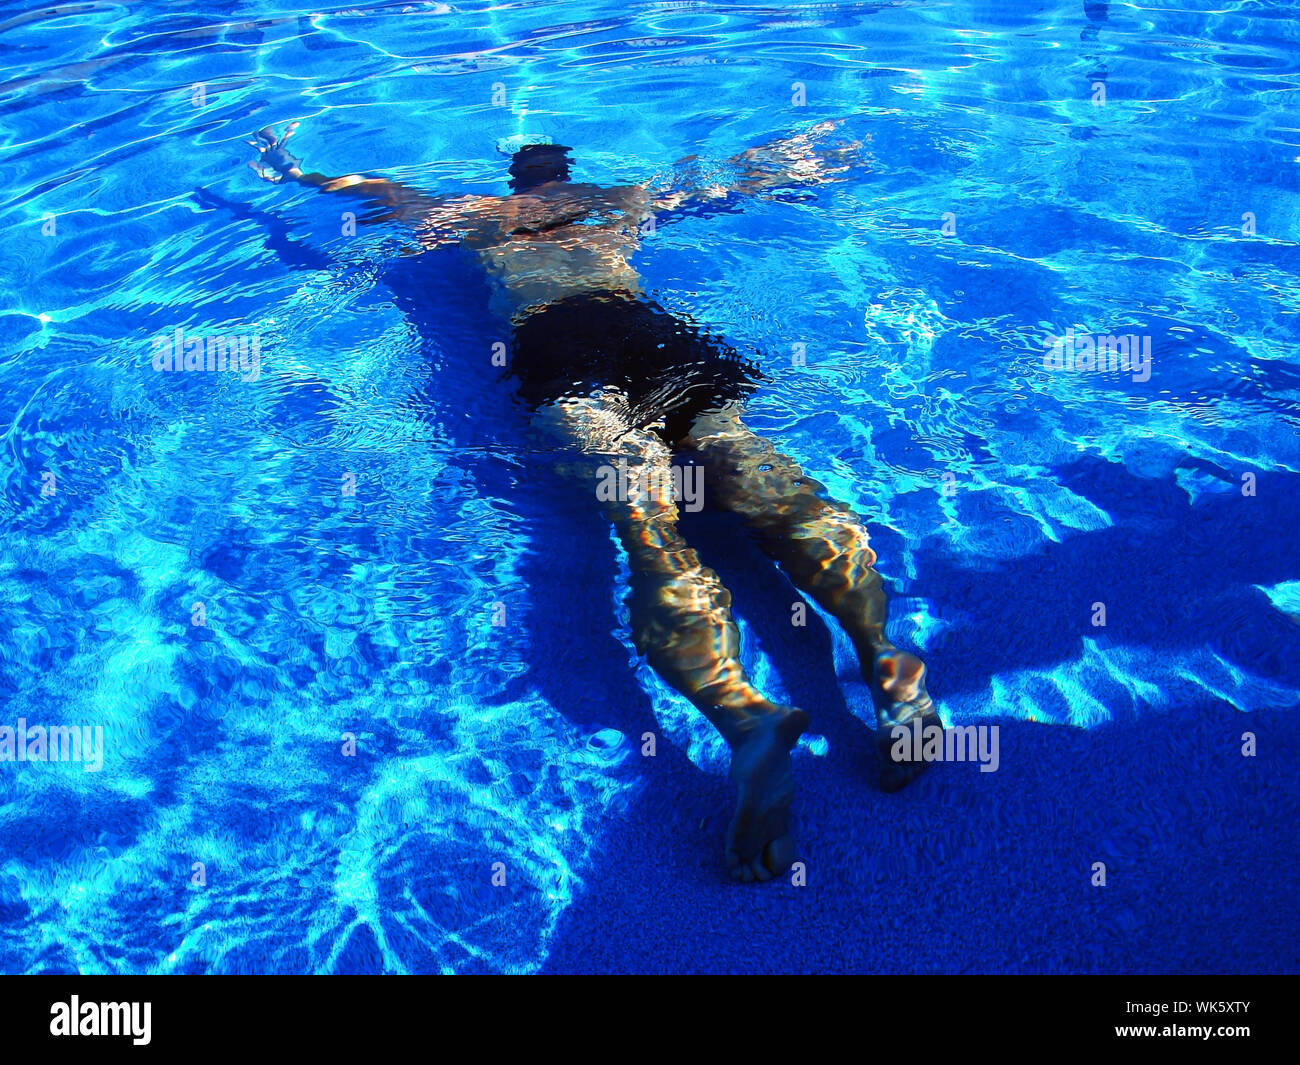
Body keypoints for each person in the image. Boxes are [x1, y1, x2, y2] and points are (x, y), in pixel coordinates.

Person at [247, 120, 940, 882]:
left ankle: (745, 719)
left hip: (558, 342)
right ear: (568, 173)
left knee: (642, 516)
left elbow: (375, 194)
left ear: (519, 181)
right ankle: (887, 660)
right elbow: (733, 177)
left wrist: (292, 174)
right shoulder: (622, 202)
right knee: (755, 468)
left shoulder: (480, 215)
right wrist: (815, 155)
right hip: (654, 331)